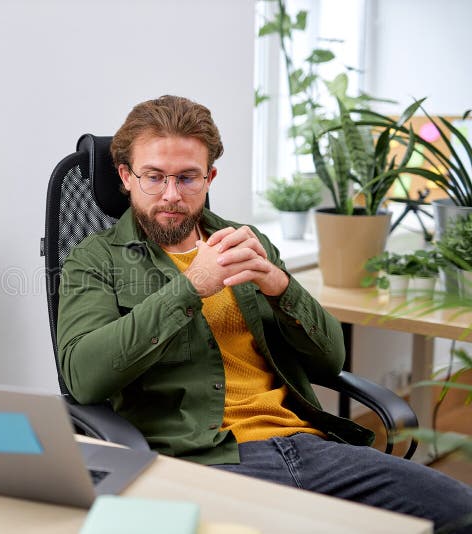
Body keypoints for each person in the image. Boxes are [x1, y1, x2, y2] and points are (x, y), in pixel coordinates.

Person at [57, 95, 472, 531]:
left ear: (209, 176)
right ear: (126, 176)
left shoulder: (245, 244)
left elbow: (330, 360)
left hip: (309, 445)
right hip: (203, 460)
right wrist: (191, 287)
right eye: (154, 178)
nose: (172, 195)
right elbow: (84, 378)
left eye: (187, 178)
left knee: (460, 512)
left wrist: (281, 287)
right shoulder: (94, 259)